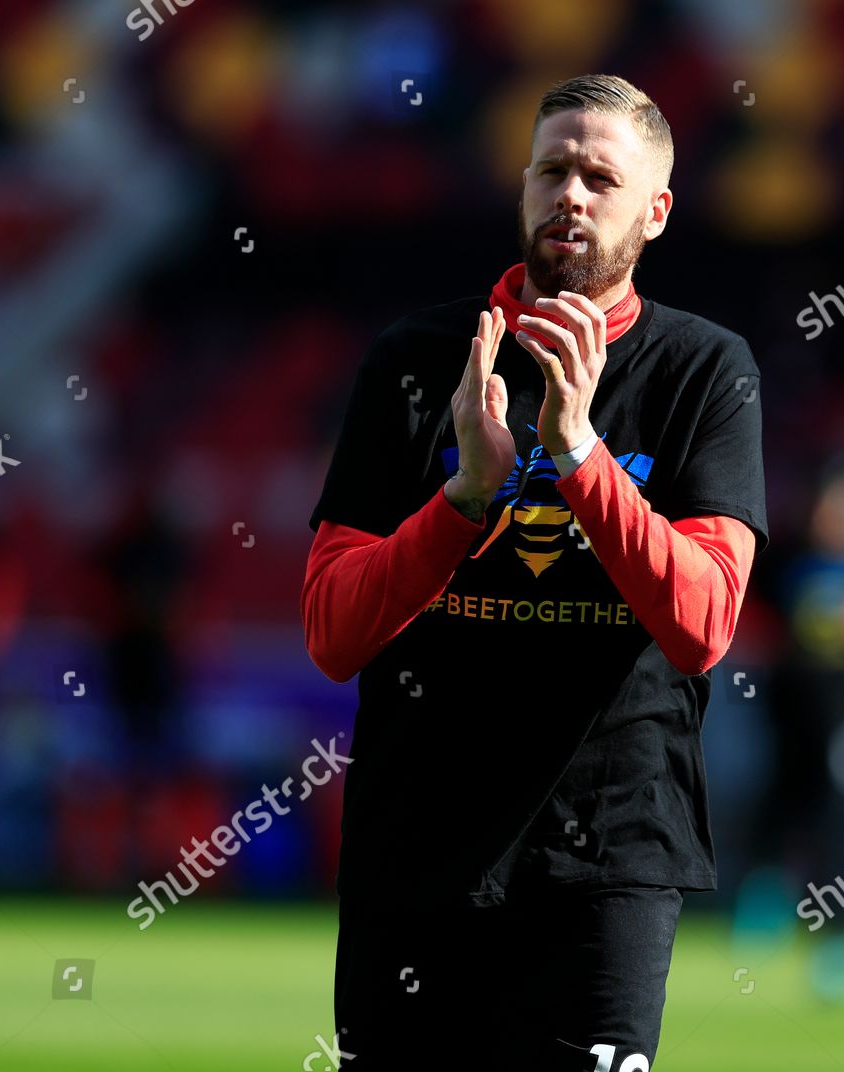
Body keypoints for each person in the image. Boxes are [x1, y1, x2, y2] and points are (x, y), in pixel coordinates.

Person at [301, 73, 767, 1069]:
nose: (572, 194)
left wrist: (583, 457)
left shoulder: (702, 371)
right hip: (417, 853)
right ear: (521, 185)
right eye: (553, 169)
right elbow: (333, 632)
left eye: (601, 177)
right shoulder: (419, 361)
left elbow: (703, 623)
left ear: (657, 209)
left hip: (607, 855)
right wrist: (466, 494)